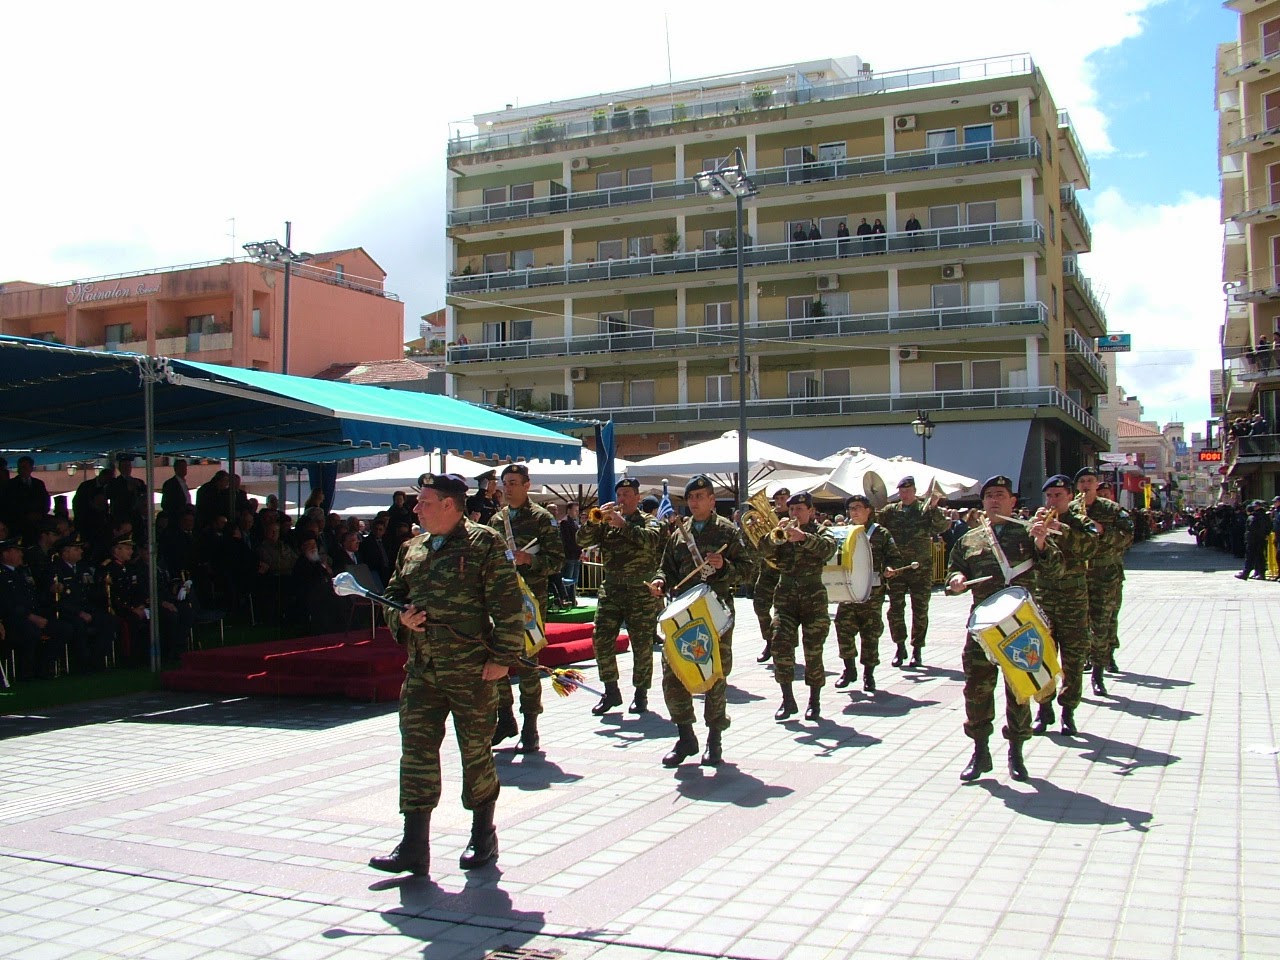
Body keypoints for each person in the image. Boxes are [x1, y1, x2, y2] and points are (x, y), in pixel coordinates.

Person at [369, 473, 524, 878]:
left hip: (472, 670)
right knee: (416, 753)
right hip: (422, 669)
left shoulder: (484, 544)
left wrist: (504, 658)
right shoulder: (411, 548)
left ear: (450, 506)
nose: (415, 508)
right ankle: (414, 846)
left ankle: (482, 835)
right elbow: (392, 596)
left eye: (424, 502)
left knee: (475, 753)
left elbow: (509, 605)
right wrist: (400, 618)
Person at [947, 476, 1062, 782]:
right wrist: (956, 580)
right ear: (982, 503)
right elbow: (954, 569)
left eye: (1001, 495)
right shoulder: (969, 539)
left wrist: (1041, 542)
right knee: (977, 689)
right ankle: (981, 752)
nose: (994, 500)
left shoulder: (1028, 533)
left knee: (1019, 689)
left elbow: (1056, 568)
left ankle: (1017, 751)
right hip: (982, 628)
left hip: (1021, 626)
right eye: (988, 496)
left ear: (1013, 501)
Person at [649, 475, 752, 766]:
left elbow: (748, 571)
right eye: (691, 498)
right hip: (682, 614)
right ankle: (685, 737)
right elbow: (665, 568)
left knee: (714, 674)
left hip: (714, 611)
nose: (694, 503)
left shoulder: (728, 532)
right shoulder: (678, 533)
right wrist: (659, 581)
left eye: (700, 497)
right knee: (673, 674)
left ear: (711, 500)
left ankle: (714, 739)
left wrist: (725, 567)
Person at [488, 464, 564, 753]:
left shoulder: (542, 519)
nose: (507, 488)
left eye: (513, 483)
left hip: (531, 601)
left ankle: (530, 724)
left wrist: (529, 561)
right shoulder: (497, 520)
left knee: (528, 663)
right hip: (501, 600)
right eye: (504, 483)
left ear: (527, 485)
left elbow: (557, 560)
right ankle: (505, 718)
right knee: (497, 658)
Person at [579, 479, 663, 716]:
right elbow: (581, 542)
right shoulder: (607, 523)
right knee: (601, 640)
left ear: (637, 497)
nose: (622, 499)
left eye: (627, 494)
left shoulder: (649, 521)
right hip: (612, 591)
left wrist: (624, 525)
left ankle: (640, 694)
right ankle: (611, 690)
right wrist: (593, 523)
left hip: (640, 592)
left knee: (642, 645)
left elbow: (652, 541)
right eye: (619, 494)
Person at [760, 491, 838, 721]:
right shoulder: (781, 532)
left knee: (813, 650)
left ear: (811, 511)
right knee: (780, 644)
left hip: (812, 595)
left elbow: (829, 549)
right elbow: (761, 552)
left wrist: (803, 537)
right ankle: (787, 699)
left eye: (799, 510)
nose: (794, 513)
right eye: (792, 509)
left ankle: (814, 701)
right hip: (785, 596)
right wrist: (772, 537)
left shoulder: (821, 531)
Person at [1033, 475, 1098, 736]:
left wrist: (1061, 528)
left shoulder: (1081, 523)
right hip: (1045, 599)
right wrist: (1037, 535)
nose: (1052, 501)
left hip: (1073, 600)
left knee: (1073, 658)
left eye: (1058, 496)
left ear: (1070, 497)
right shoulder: (1038, 520)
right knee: (1041, 657)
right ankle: (1044, 707)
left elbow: (1090, 548)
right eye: (1049, 496)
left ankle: (1068, 711)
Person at [833, 495, 903, 693]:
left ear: (868, 510)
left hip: (872, 592)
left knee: (870, 633)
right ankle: (849, 669)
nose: (854, 512)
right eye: (851, 509)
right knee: (843, 629)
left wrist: (891, 568)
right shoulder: (843, 532)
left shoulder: (880, 533)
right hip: (847, 590)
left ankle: (869, 674)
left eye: (858, 508)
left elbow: (894, 557)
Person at [877, 476, 949, 668]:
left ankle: (917, 648)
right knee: (895, 610)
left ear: (914, 491)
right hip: (897, 567)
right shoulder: (891, 511)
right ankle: (900, 646)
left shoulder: (924, 510)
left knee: (920, 609)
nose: (904, 495)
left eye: (908, 491)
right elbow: (874, 524)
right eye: (901, 491)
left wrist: (934, 507)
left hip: (921, 568)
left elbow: (942, 526)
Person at [1075, 466, 1134, 691]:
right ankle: (1084, 663)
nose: (1086, 485)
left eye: (1090, 480)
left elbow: (1127, 537)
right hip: (1078, 577)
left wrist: (1103, 532)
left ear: (1096, 484)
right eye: (1082, 481)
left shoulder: (1111, 510)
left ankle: (1098, 672)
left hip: (1105, 576)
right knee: (1079, 625)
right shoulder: (1071, 510)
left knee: (1102, 624)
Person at [1, 536, 71, 679]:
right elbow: (6, 604)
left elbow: (35, 597)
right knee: (30, 632)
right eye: (17, 551)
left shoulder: (23, 572)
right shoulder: (2, 575)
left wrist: (50, 593)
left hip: (33, 616)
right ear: (5, 554)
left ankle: (45, 667)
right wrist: (30, 616)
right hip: (14, 620)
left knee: (63, 628)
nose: (21, 554)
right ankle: (26, 671)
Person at [753, 486, 791, 663]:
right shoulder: (766, 517)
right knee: (760, 606)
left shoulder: (795, 518)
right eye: (777, 499)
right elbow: (757, 545)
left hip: (785, 572)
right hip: (767, 571)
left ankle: (782, 646)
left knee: (783, 614)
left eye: (783, 498)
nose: (779, 502)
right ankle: (769, 641)